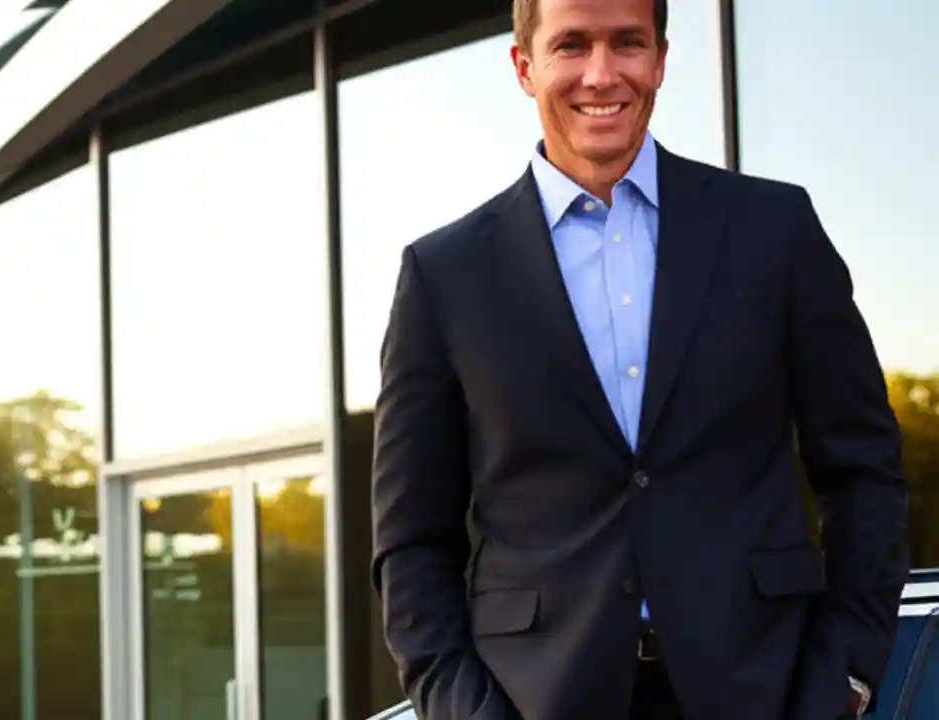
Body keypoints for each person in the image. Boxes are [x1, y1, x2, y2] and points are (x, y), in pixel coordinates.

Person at [369, 0, 910, 718]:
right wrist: (461, 706)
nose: (602, 74)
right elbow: (411, 542)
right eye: (571, 46)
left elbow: (864, 469)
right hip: (540, 698)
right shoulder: (446, 276)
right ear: (524, 67)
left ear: (659, 58)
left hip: (762, 691)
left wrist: (842, 677)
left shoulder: (773, 231)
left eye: (627, 42)